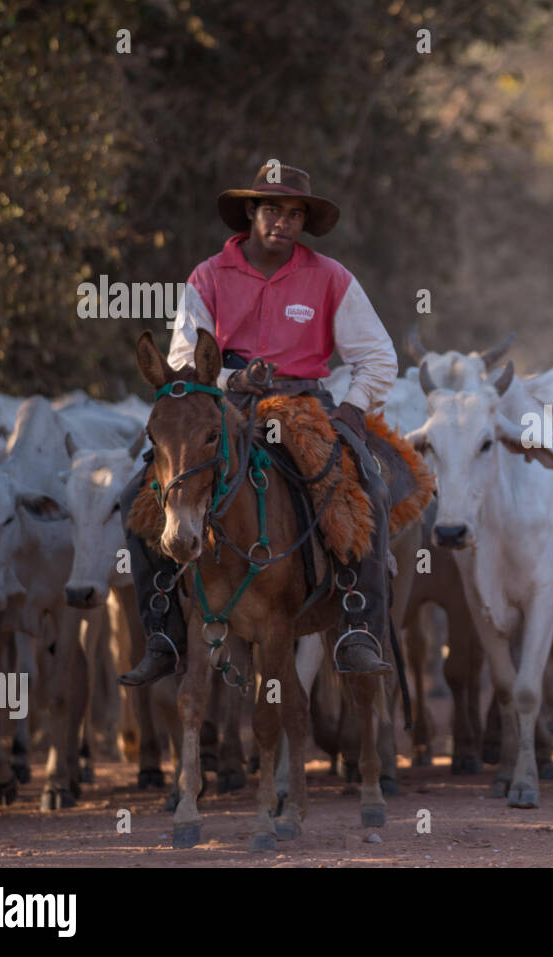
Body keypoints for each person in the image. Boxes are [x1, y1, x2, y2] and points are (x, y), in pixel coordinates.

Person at [118, 163, 399, 686]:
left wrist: (355, 406)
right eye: (273, 210)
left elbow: (379, 357)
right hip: (223, 408)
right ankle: (164, 633)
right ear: (251, 211)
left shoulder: (331, 276)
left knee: (371, 489)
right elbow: (183, 354)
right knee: (137, 496)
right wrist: (230, 377)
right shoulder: (208, 275)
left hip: (303, 409)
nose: (284, 222)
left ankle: (358, 625)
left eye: (295, 214)